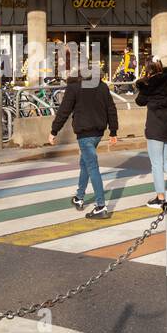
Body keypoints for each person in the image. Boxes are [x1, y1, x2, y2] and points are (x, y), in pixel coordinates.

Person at [48, 68, 120, 220]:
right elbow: (111, 109)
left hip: (85, 133)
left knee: (92, 166)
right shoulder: (102, 86)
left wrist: (54, 131)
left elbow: (64, 111)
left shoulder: (74, 88)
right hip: (98, 133)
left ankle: (101, 206)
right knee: (85, 164)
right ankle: (79, 197)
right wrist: (113, 131)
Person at [134, 59, 167, 210]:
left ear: (148, 70)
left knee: (156, 163)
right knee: (164, 160)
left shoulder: (149, 84)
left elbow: (139, 101)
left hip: (156, 126)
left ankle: (160, 198)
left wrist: (143, 83)